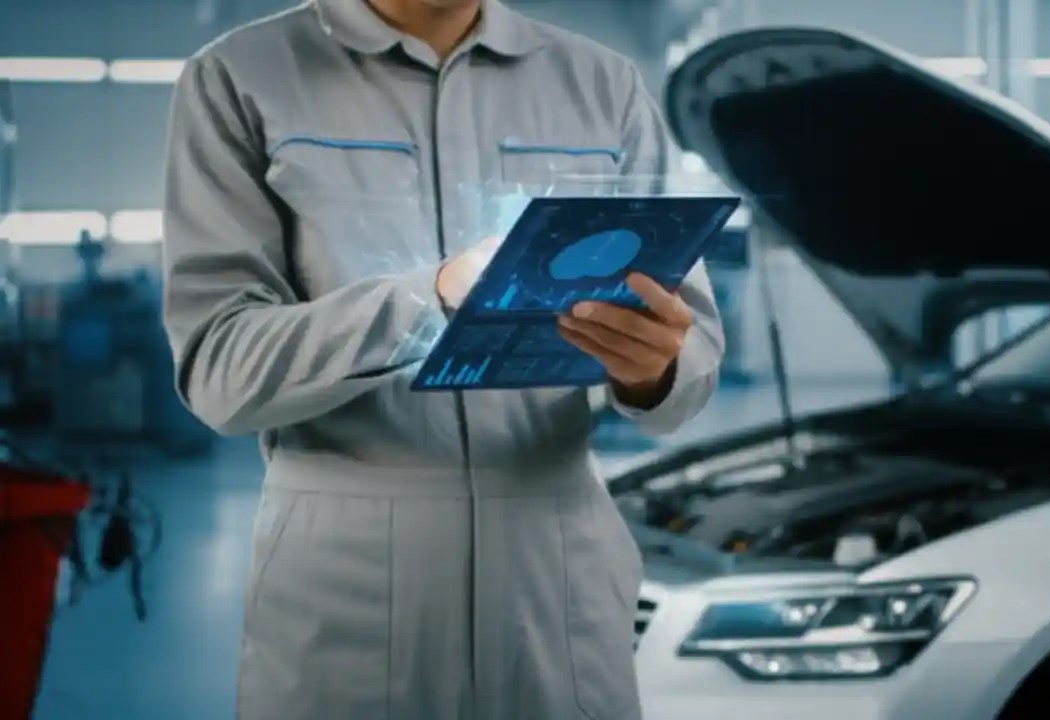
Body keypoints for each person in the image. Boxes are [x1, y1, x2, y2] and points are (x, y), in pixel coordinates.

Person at [160, 0, 724, 718]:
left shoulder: (602, 85)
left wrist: (654, 370)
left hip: (557, 563)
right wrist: (425, 298)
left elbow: (694, 344)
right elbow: (219, 369)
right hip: (347, 571)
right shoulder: (241, 79)